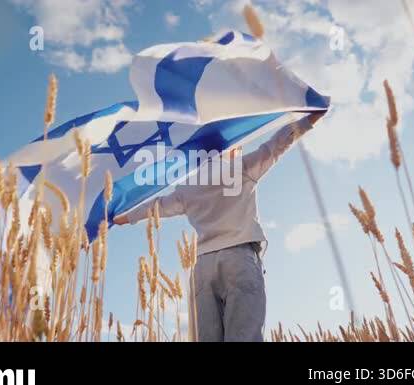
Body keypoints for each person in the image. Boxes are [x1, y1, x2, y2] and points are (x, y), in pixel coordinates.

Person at [114, 112, 324, 342]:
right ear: (231, 146)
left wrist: (119, 218)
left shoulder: (189, 187)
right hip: (239, 258)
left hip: (202, 266)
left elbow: (155, 207)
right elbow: (277, 144)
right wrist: (311, 117)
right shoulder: (242, 168)